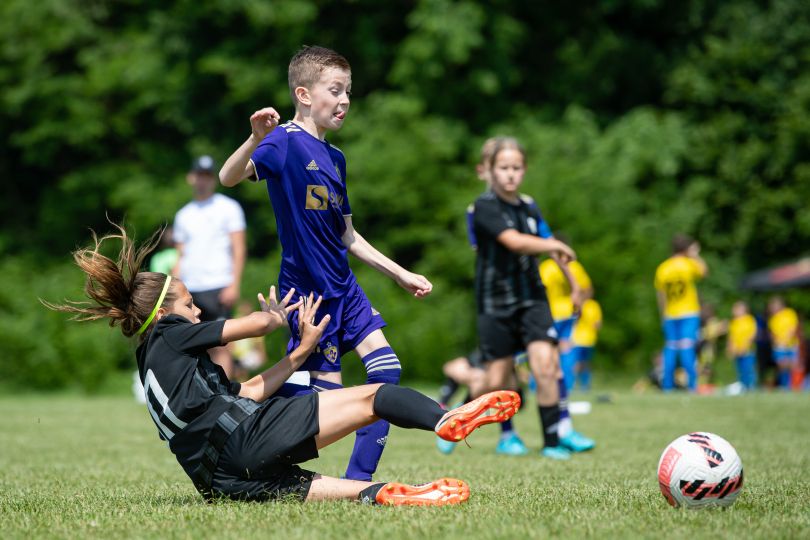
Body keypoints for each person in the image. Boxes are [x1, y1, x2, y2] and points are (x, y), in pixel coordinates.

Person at [43, 224, 519, 505]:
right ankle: (446, 418)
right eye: (190, 304)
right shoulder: (167, 334)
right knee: (375, 397)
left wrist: (299, 353)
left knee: (305, 486)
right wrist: (272, 318)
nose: (198, 312)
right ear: (164, 312)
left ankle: (382, 494)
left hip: (218, 480)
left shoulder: (156, 366)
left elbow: (246, 393)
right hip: (243, 438)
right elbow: (244, 327)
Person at [218, 46, 432, 481]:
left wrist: (400, 273)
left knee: (387, 369)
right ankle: (260, 454)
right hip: (308, 293)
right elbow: (228, 177)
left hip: (344, 285)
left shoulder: (336, 158)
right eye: (336, 90)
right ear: (304, 94)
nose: (346, 100)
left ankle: (359, 480)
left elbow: (346, 235)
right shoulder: (284, 142)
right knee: (324, 401)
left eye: (349, 91)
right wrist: (256, 137)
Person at [468, 136, 580, 460]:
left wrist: (574, 283)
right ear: (490, 170)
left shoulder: (530, 206)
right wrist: (554, 246)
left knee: (545, 364)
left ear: (524, 170)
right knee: (498, 379)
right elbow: (515, 242)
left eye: (517, 168)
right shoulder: (484, 206)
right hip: (495, 301)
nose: (510, 174)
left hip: (532, 297)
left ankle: (552, 442)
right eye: (503, 168)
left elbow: (549, 245)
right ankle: (463, 410)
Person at [173, 155, 246, 378]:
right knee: (191, 344)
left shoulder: (229, 208)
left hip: (218, 284)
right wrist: (174, 288)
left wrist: (234, 284)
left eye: (207, 176)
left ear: (213, 179)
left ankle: (227, 395)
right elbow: (179, 255)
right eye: (199, 175)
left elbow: (239, 248)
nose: (203, 181)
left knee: (221, 344)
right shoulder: (183, 215)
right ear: (191, 178)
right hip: (190, 287)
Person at [654, 234, 708, 391]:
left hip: (670, 314)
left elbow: (661, 295)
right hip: (688, 312)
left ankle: (667, 385)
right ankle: (692, 384)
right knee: (686, 347)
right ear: (685, 249)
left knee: (670, 348)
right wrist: (695, 255)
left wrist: (663, 315)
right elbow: (704, 272)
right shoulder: (688, 264)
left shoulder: (663, 268)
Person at [767, 296, 799, 389]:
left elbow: (793, 328)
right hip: (779, 346)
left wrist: (786, 340)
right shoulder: (772, 319)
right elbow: (773, 334)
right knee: (781, 365)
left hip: (791, 344)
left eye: (774, 306)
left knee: (792, 365)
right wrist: (775, 342)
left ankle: (794, 385)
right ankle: (784, 385)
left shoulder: (789, 313)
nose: (773, 308)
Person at [571, 298, 602, 392]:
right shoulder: (575, 303)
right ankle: (572, 385)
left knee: (585, 364)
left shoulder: (593, 305)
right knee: (576, 364)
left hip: (589, 340)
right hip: (576, 339)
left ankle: (585, 386)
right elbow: (572, 320)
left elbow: (598, 324)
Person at [727, 300, 757, 391]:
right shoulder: (733, 322)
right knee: (740, 369)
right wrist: (730, 348)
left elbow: (752, 334)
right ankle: (742, 386)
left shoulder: (749, 320)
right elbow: (731, 337)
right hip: (737, 351)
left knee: (748, 368)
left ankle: (751, 386)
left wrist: (745, 346)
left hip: (748, 350)